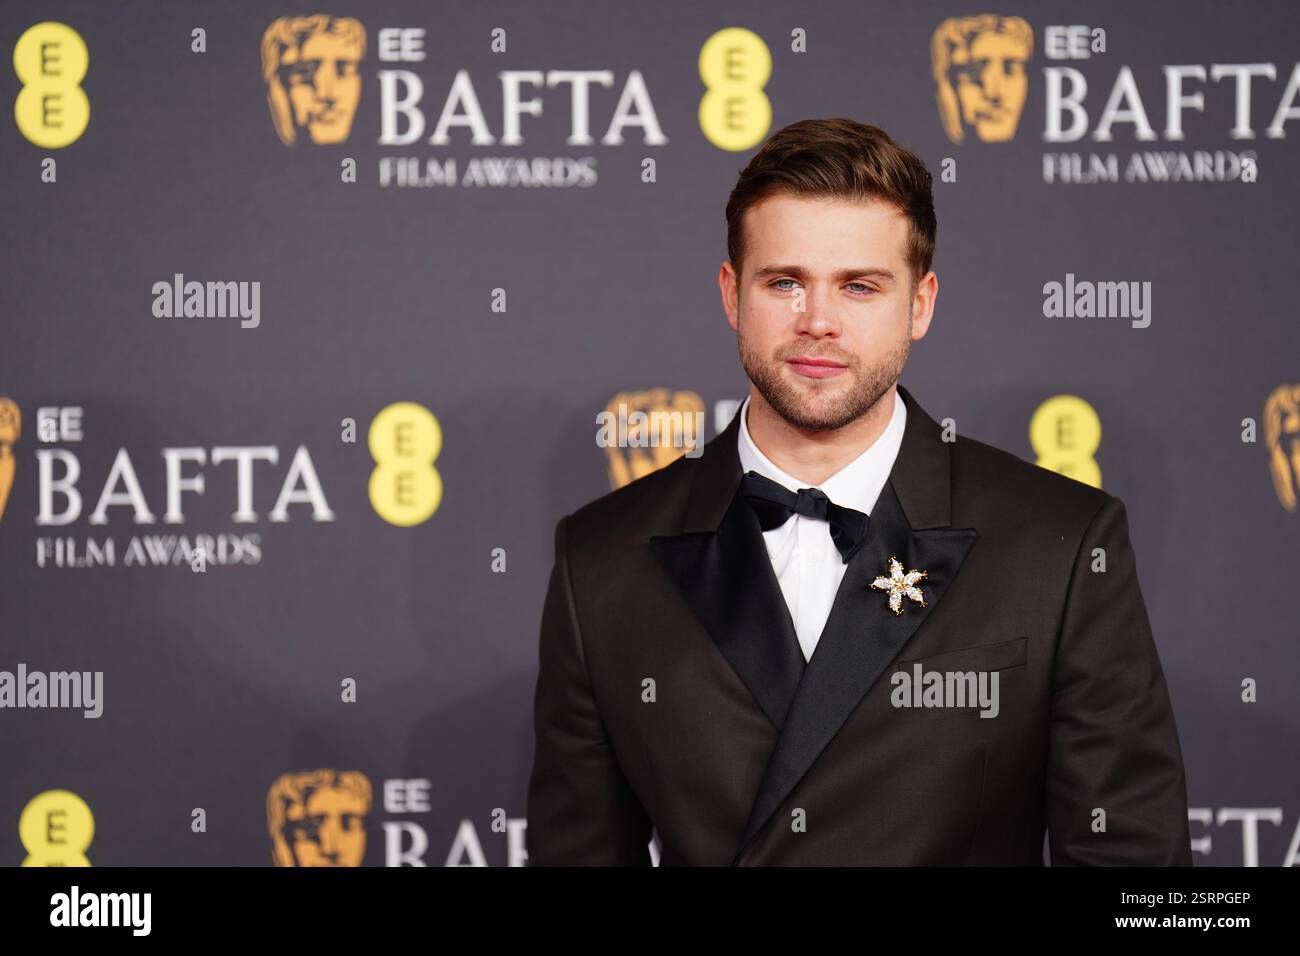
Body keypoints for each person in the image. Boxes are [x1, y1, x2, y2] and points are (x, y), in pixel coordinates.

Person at [525, 117, 1192, 866]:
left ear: (920, 304)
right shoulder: (602, 561)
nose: (818, 322)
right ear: (731, 295)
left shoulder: (1060, 548)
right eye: (784, 282)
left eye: (860, 286)